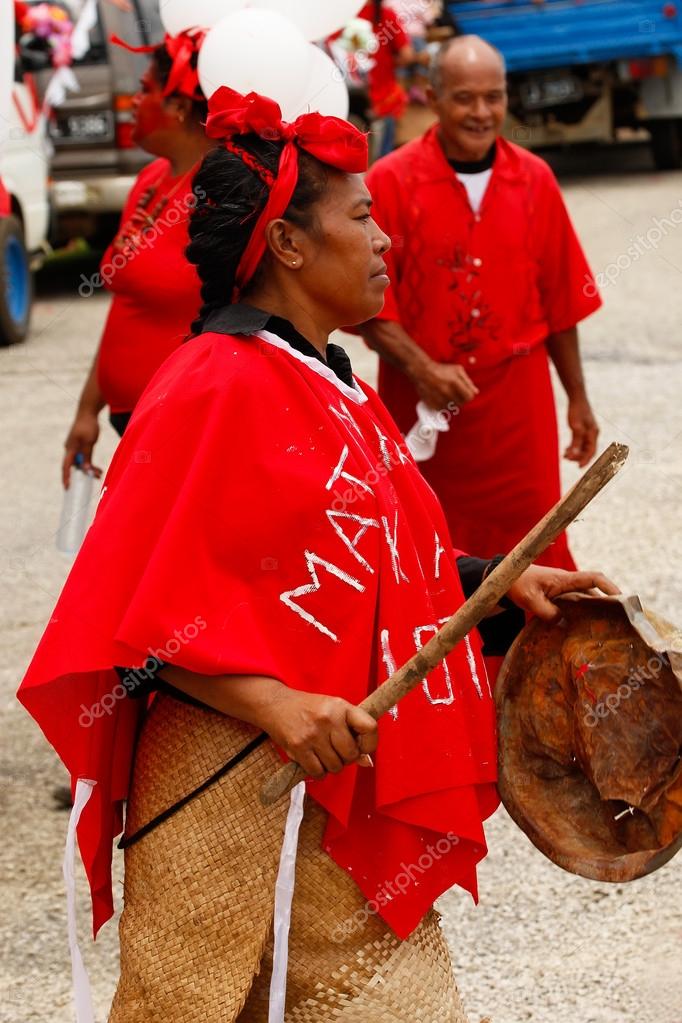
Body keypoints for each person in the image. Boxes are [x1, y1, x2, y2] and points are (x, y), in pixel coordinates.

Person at [18, 86, 619, 1021]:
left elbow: (370, 546)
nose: (386, 242)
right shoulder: (211, 382)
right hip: (222, 769)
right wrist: (270, 702)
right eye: (363, 218)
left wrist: (497, 581)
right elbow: (127, 607)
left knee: (379, 999)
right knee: (193, 998)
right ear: (289, 244)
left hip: (335, 757)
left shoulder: (325, 375)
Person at [360, 35, 602, 570]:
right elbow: (367, 306)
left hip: (520, 415)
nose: (482, 112)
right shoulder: (390, 182)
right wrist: (423, 369)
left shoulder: (535, 180)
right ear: (433, 97)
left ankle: (530, 659)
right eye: (465, 98)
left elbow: (561, 302)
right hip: (423, 413)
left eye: (494, 97)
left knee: (537, 549)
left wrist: (578, 400)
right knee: (430, 552)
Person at [61, 28, 214, 487]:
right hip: (130, 422)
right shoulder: (151, 176)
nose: (132, 101)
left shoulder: (222, 192)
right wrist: (88, 410)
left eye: (145, 90)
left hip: (185, 427)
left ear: (180, 108)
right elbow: (127, 306)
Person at [357, 0, 429, 157]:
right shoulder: (386, 15)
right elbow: (407, 55)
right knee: (382, 155)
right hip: (384, 97)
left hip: (354, 98)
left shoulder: (349, 18)